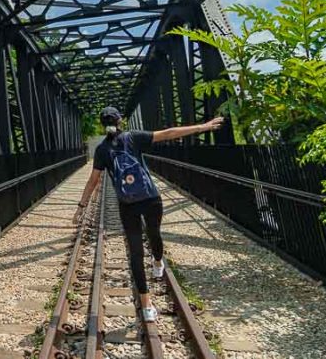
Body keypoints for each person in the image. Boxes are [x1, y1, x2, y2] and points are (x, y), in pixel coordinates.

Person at [72, 106, 224, 323]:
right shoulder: (133, 137)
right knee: (154, 236)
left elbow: (93, 181)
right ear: (120, 121)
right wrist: (203, 126)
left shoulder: (102, 150)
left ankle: (146, 305)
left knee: (135, 253)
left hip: (127, 204)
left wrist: (81, 206)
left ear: (102, 124)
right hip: (151, 198)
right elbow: (169, 133)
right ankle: (158, 262)